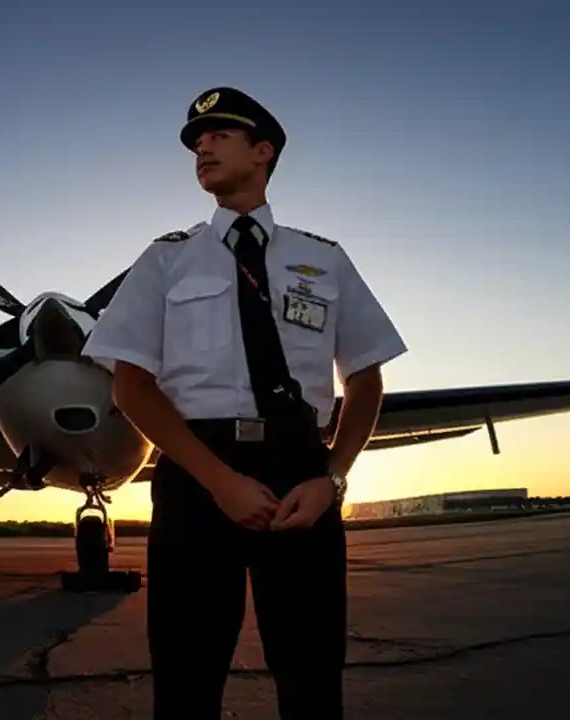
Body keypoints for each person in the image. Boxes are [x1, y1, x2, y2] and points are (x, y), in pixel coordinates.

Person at [81, 86, 408, 719]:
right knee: (185, 680)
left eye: (219, 135)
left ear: (263, 151)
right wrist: (219, 481)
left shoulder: (325, 259)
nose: (201, 146)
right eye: (197, 141)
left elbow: (364, 381)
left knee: (314, 678)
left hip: (301, 475)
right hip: (196, 474)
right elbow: (131, 385)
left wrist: (332, 477)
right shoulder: (164, 259)